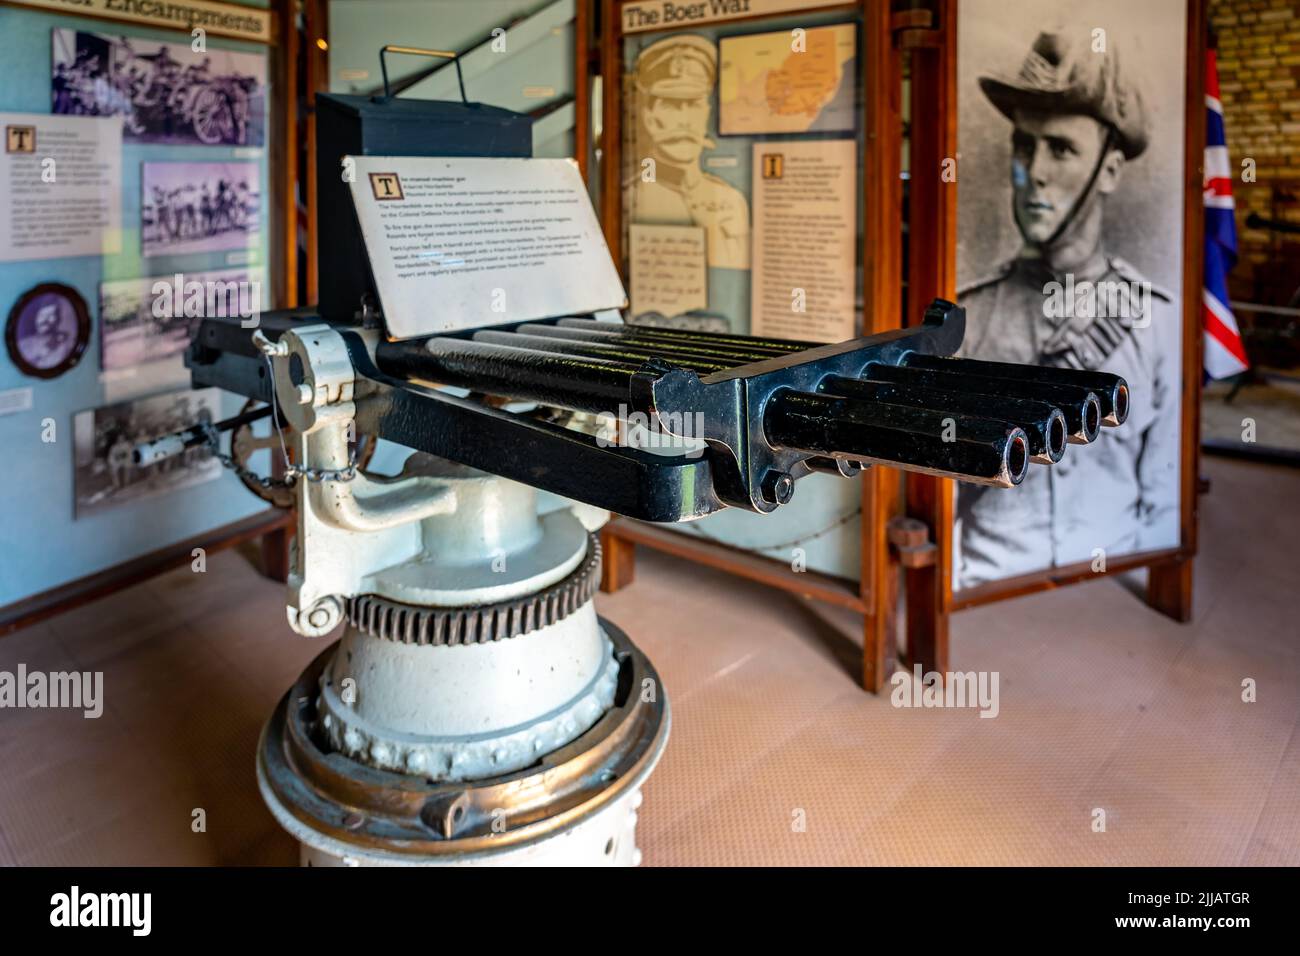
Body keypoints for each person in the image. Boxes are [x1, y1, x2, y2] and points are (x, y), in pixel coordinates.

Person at [955, 28, 1178, 589]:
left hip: (1111, 584)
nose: (1035, 172)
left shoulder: (1153, 320)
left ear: (1109, 171)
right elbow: (941, 488)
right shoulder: (968, 317)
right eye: (1024, 146)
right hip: (987, 581)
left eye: (1062, 148)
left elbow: (1164, 491)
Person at [632, 34, 750, 270]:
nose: (684, 121)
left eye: (694, 105)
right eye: (671, 106)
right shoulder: (631, 197)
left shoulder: (731, 201)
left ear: (706, 113)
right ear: (649, 117)